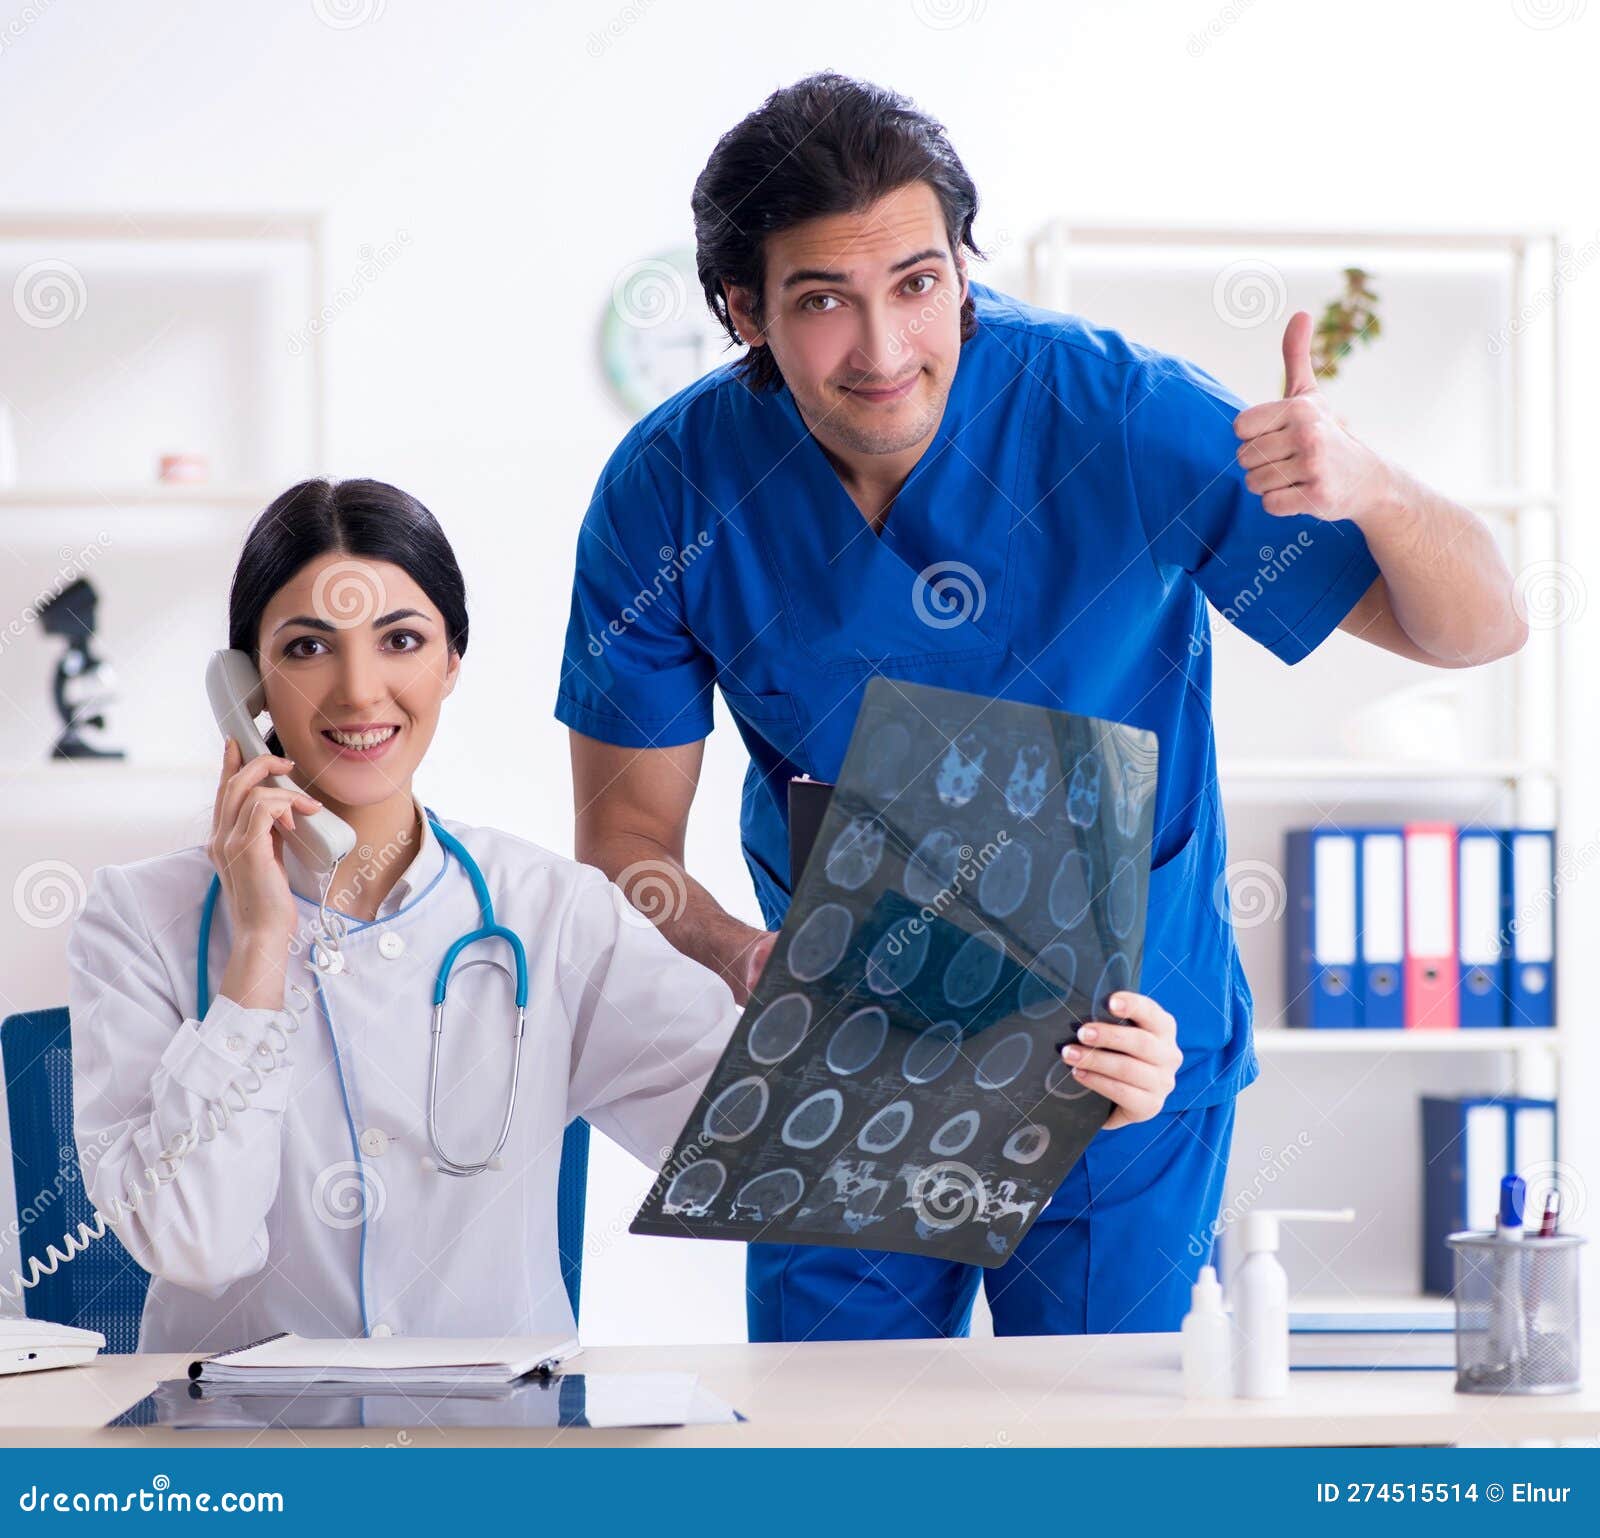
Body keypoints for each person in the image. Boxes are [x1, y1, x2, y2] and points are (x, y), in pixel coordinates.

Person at [555, 74, 1526, 1342]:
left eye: (916, 282)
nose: (886, 348)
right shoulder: (670, 492)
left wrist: (1374, 486)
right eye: (821, 303)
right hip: (855, 1055)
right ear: (743, 312)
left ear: (963, 265)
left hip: (1126, 1059)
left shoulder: (1116, 417)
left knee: (1096, 1461)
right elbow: (626, 845)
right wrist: (744, 951)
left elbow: (1481, 627)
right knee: (839, 1460)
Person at [66, 477, 740, 1353]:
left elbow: (748, 1155)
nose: (358, 692)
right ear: (247, 685)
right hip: (240, 1466)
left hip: (490, 1461)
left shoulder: (551, 914)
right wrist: (262, 945)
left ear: (452, 661)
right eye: (308, 647)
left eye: (402, 640)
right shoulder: (138, 921)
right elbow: (196, 1241)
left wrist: (842, 997)